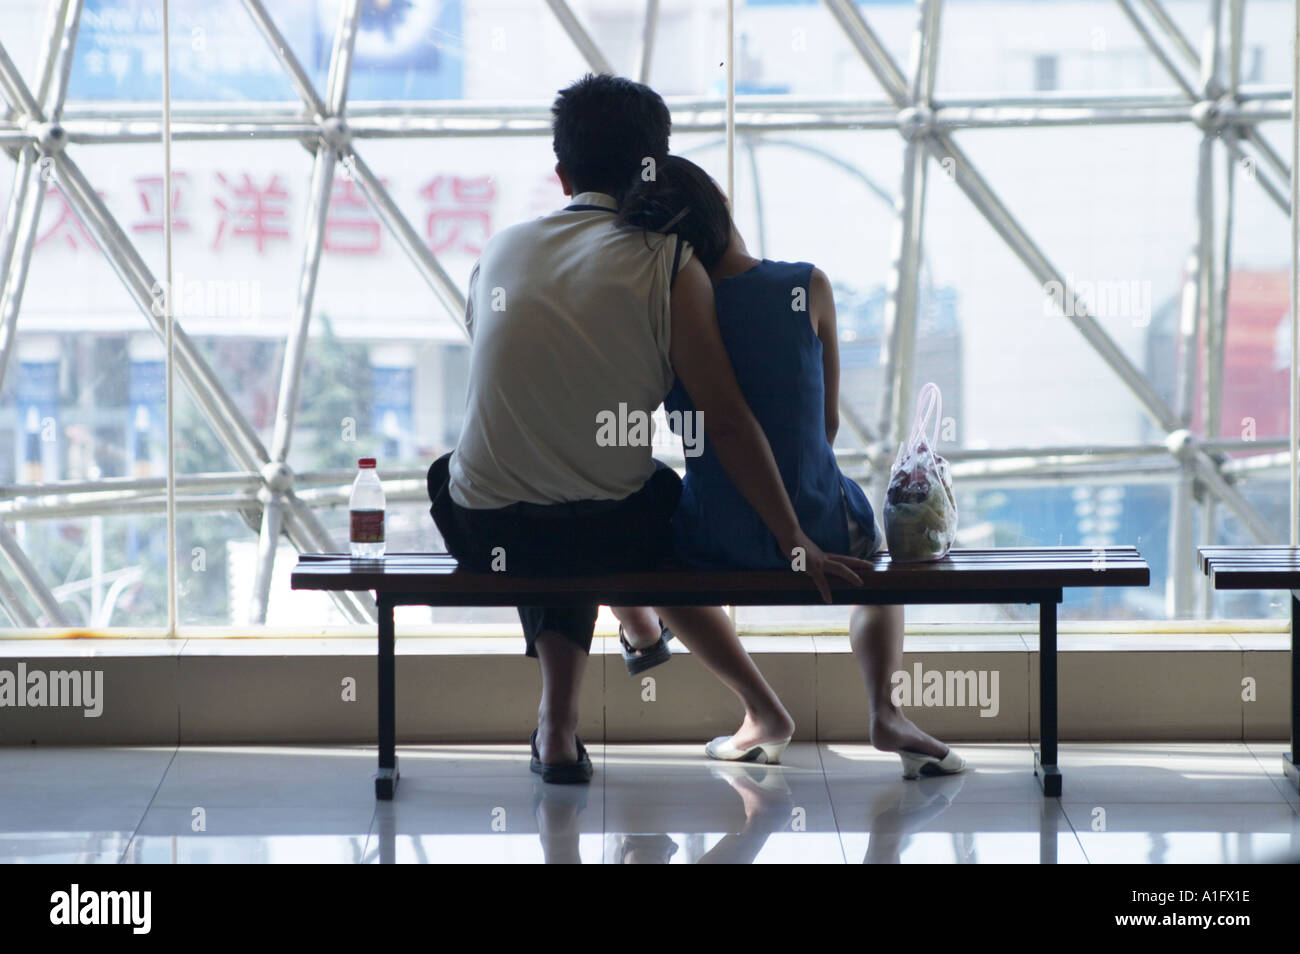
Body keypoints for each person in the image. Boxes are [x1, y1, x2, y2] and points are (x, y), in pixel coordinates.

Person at [427, 75, 870, 784]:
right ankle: (634, 630)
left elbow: (512, 382)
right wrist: (795, 542)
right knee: (622, 504)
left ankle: (563, 721)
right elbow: (723, 416)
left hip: (487, 528)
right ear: (651, 166)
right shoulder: (666, 261)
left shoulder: (500, 252)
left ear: (561, 172)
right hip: (606, 530)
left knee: (523, 489)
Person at [613, 155, 965, 778]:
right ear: (720, 202)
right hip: (823, 526)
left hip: (712, 538)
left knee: (654, 567)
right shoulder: (808, 285)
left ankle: (763, 712)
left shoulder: (661, 311)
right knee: (876, 552)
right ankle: (885, 710)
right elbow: (824, 427)